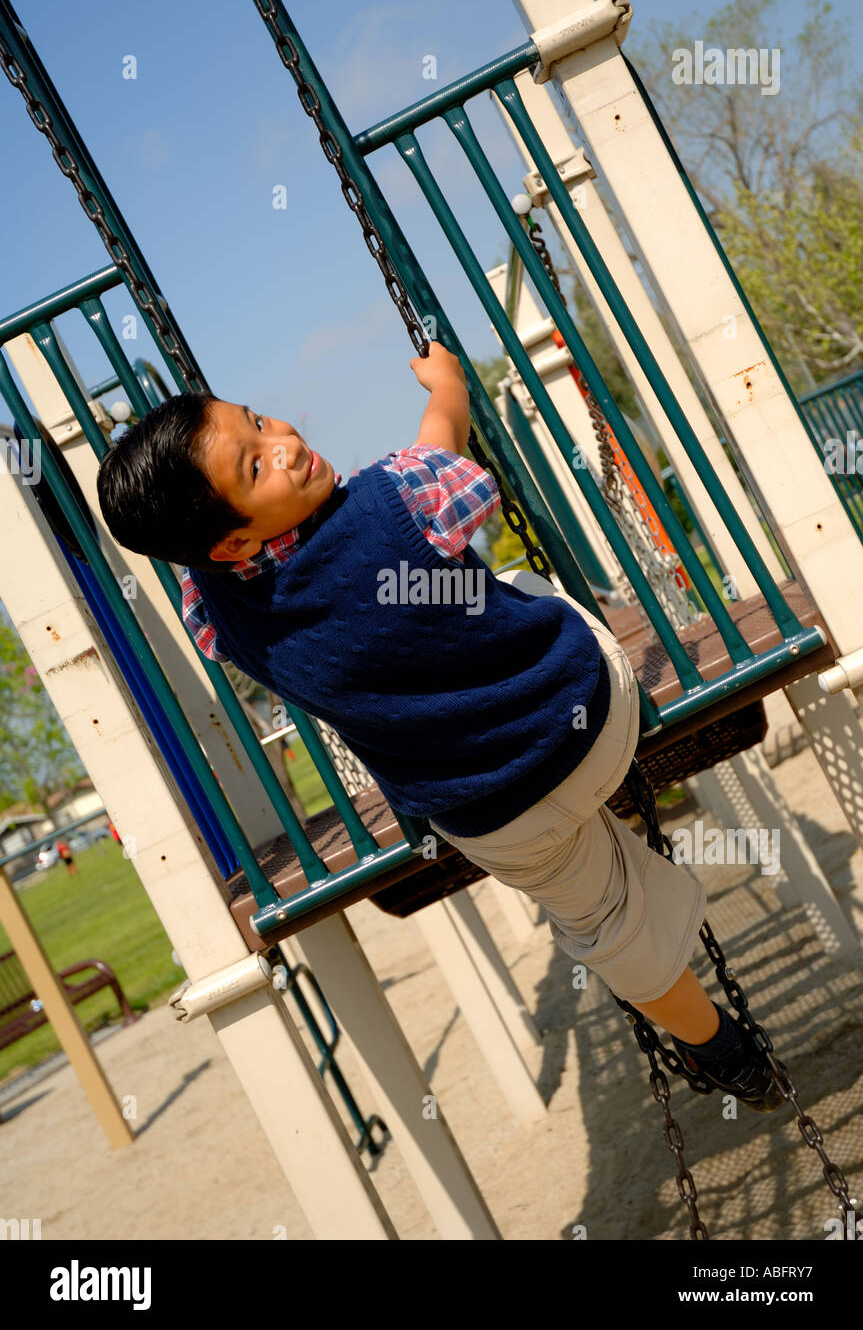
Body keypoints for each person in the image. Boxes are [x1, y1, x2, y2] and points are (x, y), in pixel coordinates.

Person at [96, 343, 781, 1111]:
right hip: (584, 718)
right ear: (231, 536)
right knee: (521, 585)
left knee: (601, 929)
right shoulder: (399, 495)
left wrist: (218, 541)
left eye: (258, 423)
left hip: (489, 815)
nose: (283, 443)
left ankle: (721, 1050)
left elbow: (211, 582)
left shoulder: (216, 615)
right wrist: (447, 385)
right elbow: (444, 440)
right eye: (254, 465)